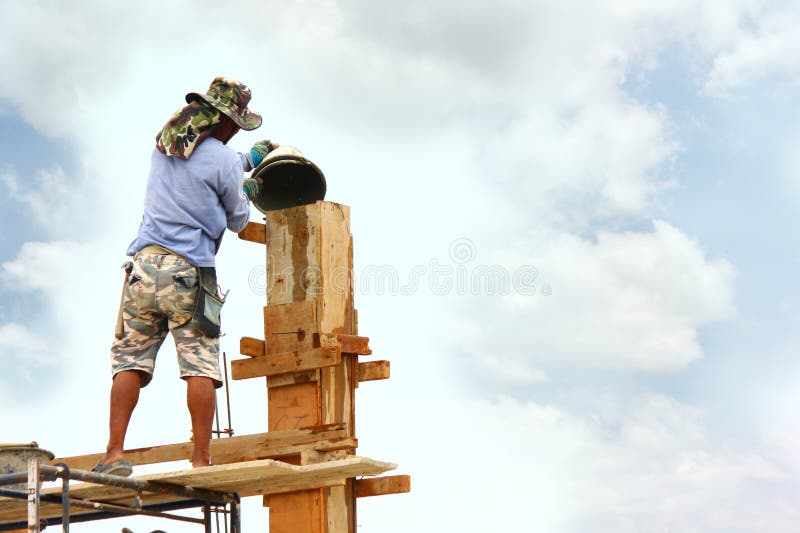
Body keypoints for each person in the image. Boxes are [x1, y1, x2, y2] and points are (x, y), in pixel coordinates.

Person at [93, 77, 276, 476]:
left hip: (143, 268)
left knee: (130, 360)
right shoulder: (224, 160)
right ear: (228, 122)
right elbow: (238, 218)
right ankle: (201, 459)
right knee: (200, 365)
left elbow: (202, 163)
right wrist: (245, 185)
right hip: (188, 274)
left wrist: (245, 160)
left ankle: (113, 454)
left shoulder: (166, 145)